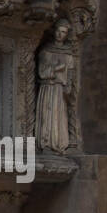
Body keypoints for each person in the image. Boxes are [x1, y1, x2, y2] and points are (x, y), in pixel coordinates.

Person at [37, 18, 77, 153]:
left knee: (59, 115)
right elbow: (41, 72)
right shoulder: (46, 50)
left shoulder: (68, 52)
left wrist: (69, 85)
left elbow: (71, 71)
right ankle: (46, 142)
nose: (60, 34)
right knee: (48, 114)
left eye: (64, 32)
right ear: (54, 31)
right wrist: (56, 69)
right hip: (48, 87)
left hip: (60, 89)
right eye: (59, 31)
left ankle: (59, 144)